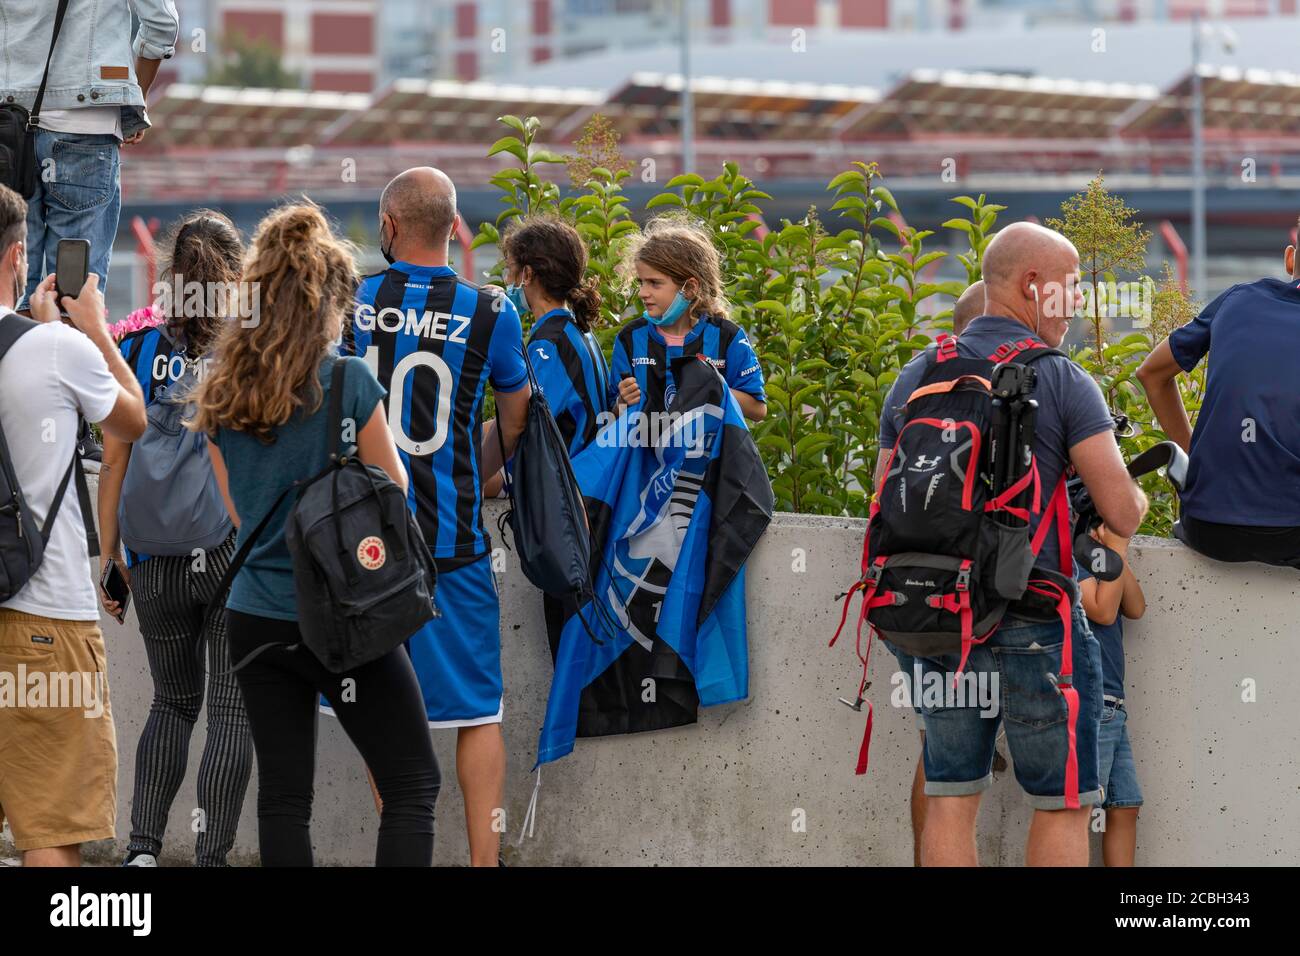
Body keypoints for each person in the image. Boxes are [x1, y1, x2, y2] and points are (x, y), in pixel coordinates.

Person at [876, 222, 1147, 866]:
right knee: (1062, 802)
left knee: (951, 795)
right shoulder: (1063, 379)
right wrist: (1130, 497)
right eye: (1071, 286)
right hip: (1035, 617)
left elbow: (883, 500)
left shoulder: (917, 373)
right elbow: (1121, 512)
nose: (1076, 301)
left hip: (936, 614)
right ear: (1033, 285)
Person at [192, 202, 439, 867]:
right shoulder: (348, 381)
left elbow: (239, 514)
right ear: (326, 301)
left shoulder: (221, 392)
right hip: (342, 616)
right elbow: (395, 492)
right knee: (411, 783)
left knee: (283, 797)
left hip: (255, 616)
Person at [351, 168, 531, 866]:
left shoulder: (353, 300)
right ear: (455, 228)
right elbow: (514, 417)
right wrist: (480, 472)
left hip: (367, 545)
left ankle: (404, 852)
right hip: (452, 541)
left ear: (390, 226)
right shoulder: (491, 310)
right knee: (478, 711)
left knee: (382, 712)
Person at [97, 210, 251, 867]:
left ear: (169, 273)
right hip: (228, 551)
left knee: (171, 702)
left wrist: (110, 558)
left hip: (153, 556)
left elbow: (113, 462)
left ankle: (142, 851)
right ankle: (211, 858)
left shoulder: (134, 349)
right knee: (231, 711)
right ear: (236, 273)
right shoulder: (249, 351)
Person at [0, 183, 147, 866]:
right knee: (50, 832)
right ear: (17, 256)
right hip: (44, 620)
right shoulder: (56, 349)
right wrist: (89, 330)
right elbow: (131, 421)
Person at [1137, 223, 1300, 568]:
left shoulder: (1237, 299)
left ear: (1290, 259)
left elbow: (1150, 373)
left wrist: (1195, 457)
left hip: (1208, 528)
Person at [1, 0, 179, 301]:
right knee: (74, 293)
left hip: (8, 129)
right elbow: (162, 23)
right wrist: (137, 94)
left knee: (10, 286)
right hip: (88, 125)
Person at [613, 216, 766, 422]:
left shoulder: (728, 337)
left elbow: (758, 410)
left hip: (708, 445)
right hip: (646, 444)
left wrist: (714, 387)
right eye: (641, 282)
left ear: (690, 288)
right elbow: (610, 414)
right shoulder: (630, 338)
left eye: (654, 283)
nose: (642, 293)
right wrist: (621, 402)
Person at [1075, 525, 1146, 867]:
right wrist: (1114, 548)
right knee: (1080, 808)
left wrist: (1115, 551)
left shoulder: (1100, 560)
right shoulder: (1066, 558)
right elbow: (1102, 610)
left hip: (1112, 706)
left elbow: (1136, 607)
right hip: (1091, 701)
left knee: (1124, 805)